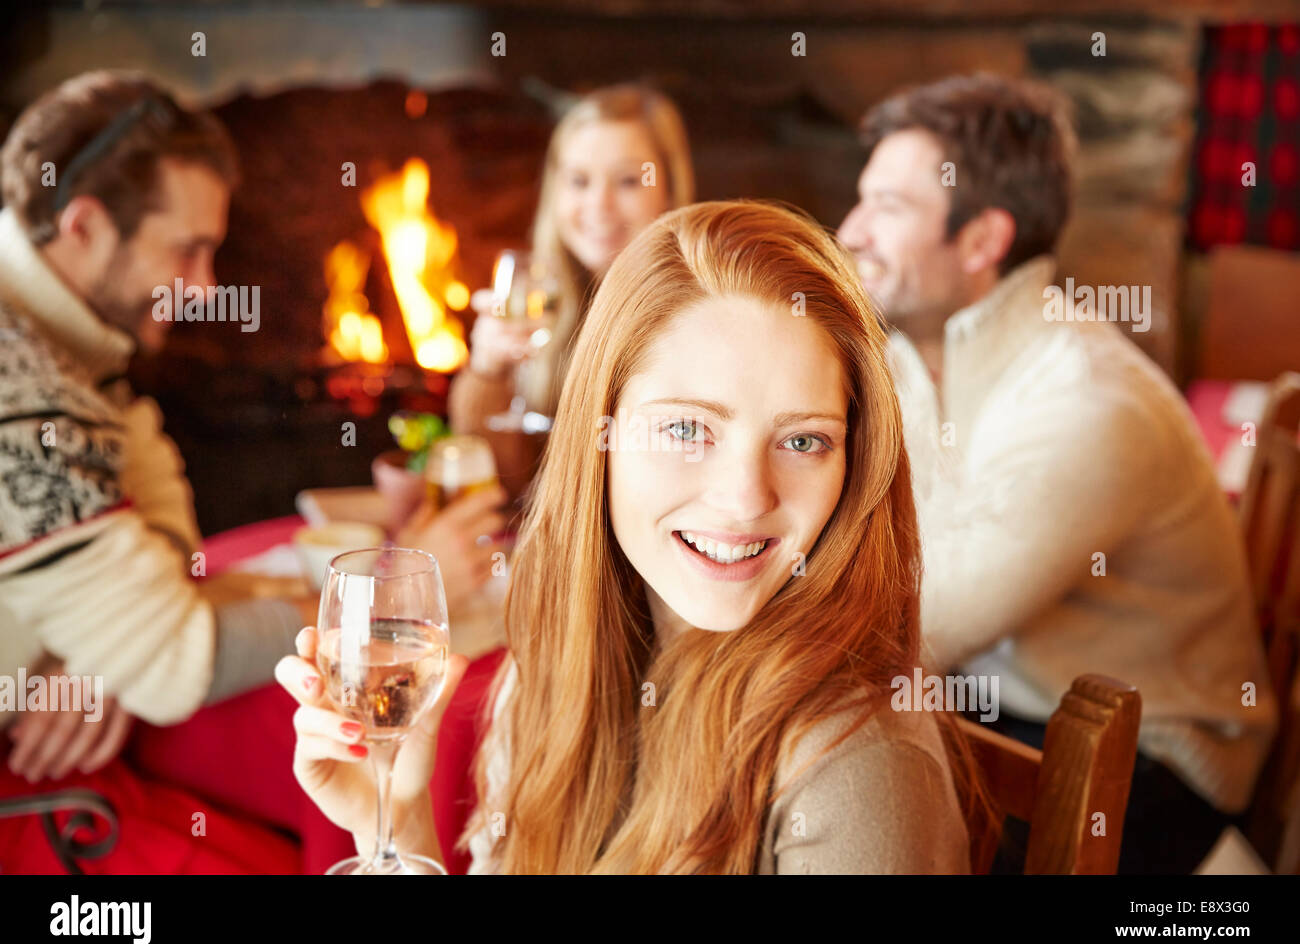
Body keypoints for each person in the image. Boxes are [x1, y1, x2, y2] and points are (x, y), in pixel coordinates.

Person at [278, 199, 987, 874]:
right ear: (601, 434)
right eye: (687, 428)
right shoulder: (559, 662)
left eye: (803, 440)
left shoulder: (856, 774)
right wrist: (393, 821)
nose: (745, 498)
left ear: (854, 462)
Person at [0, 70, 499, 787]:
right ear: (82, 226)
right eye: (185, 250)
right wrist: (387, 596)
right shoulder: (24, 392)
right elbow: (180, 661)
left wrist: (110, 648)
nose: (204, 287)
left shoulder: (66, 343)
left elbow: (158, 504)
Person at [836, 72, 1278, 873]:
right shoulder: (906, 359)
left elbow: (914, 630)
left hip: (1155, 767)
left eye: (888, 207)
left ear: (981, 241)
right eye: (862, 198)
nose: (850, 229)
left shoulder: (1085, 403)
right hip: (1002, 706)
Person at [448, 84, 694, 503]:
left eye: (629, 181)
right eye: (579, 180)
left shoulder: (692, 314)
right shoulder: (551, 297)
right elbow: (507, 485)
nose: (599, 205)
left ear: (669, 189)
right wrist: (489, 370)